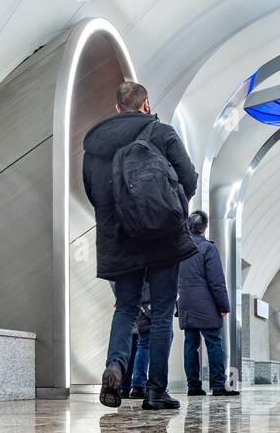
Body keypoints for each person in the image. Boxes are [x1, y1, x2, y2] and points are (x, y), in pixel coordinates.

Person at [83, 81, 197, 411]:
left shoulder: (95, 145)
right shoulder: (161, 133)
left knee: (127, 309)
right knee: (161, 313)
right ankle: (155, 390)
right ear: (145, 104)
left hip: (118, 238)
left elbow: (92, 191)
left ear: (117, 107)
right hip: (162, 236)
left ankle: (116, 366)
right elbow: (188, 177)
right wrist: (166, 208)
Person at [176, 210, 238, 397]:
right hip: (207, 303)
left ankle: (193, 386)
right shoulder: (208, 248)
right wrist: (223, 306)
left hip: (185, 302)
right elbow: (216, 281)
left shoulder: (179, 248)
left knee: (190, 344)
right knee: (214, 343)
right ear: (204, 228)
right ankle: (218, 385)